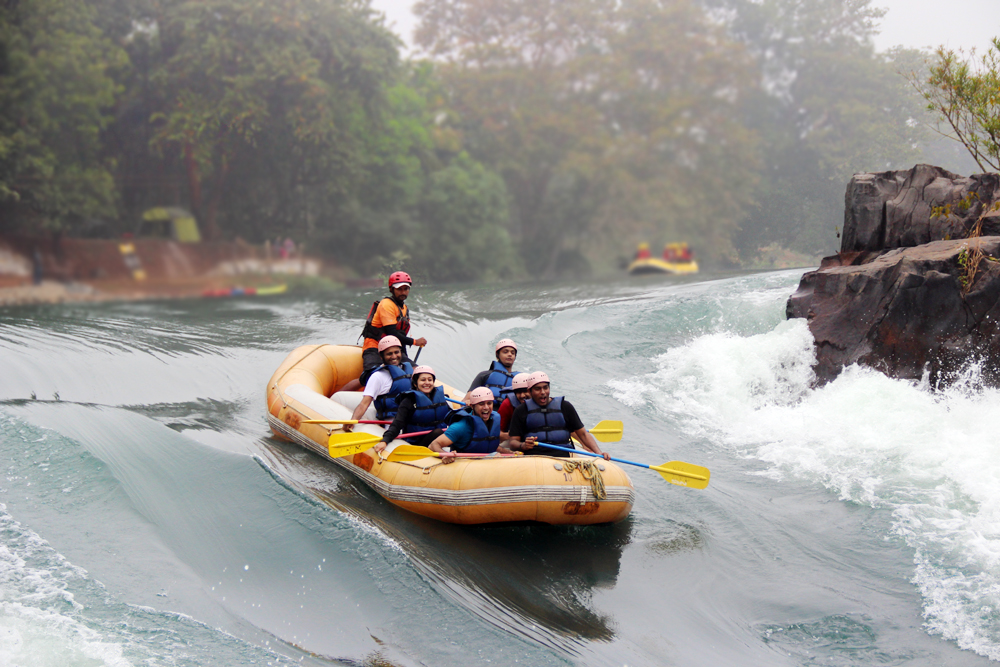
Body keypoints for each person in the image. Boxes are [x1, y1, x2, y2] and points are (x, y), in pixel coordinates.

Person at [506, 371, 610, 460]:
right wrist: (523, 445)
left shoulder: (565, 407)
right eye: (538, 389)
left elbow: (583, 434)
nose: (543, 392)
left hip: (562, 457)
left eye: (545, 388)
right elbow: (513, 443)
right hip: (535, 457)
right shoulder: (521, 411)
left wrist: (598, 453)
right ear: (530, 391)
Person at [372, 365, 453, 453]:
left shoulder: (440, 398)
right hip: (417, 442)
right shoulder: (409, 400)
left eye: (430, 380)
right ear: (415, 383)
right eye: (423, 380)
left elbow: (452, 417)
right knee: (437, 432)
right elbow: (397, 423)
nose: (427, 383)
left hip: (438, 439)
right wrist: (385, 441)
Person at [360, 271, 427, 372]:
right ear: (391, 289)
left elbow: (400, 336)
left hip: (392, 349)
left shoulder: (404, 308)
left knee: (417, 371)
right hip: (374, 347)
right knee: (371, 374)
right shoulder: (386, 304)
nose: (403, 292)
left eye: (406, 289)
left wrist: (404, 356)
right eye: (399, 289)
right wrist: (415, 342)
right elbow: (392, 334)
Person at [343, 336, 413, 431]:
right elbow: (364, 403)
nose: (394, 356)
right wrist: (353, 420)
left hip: (410, 417)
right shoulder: (378, 376)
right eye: (389, 354)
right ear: (381, 356)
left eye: (396, 352)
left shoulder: (407, 370)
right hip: (392, 421)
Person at [428, 387, 511, 464]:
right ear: (472, 406)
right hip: (465, 465)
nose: (486, 407)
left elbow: (489, 445)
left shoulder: (493, 419)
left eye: (489, 403)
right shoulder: (461, 426)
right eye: (481, 404)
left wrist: (510, 453)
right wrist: (445, 455)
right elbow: (433, 445)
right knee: (497, 457)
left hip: (483, 461)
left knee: (499, 455)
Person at [465, 339, 520, 407]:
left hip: (507, 415)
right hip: (486, 412)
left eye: (512, 353)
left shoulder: (519, 381)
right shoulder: (484, 375)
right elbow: (467, 399)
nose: (509, 354)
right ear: (497, 355)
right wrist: (468, 402)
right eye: (505, 352)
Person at [498, 372, 531, 440]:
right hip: (513, 441)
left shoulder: (541, 402)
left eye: (525, 391)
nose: (522, 395)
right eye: (518, 392)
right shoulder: (507, 404)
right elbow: (497, 432)